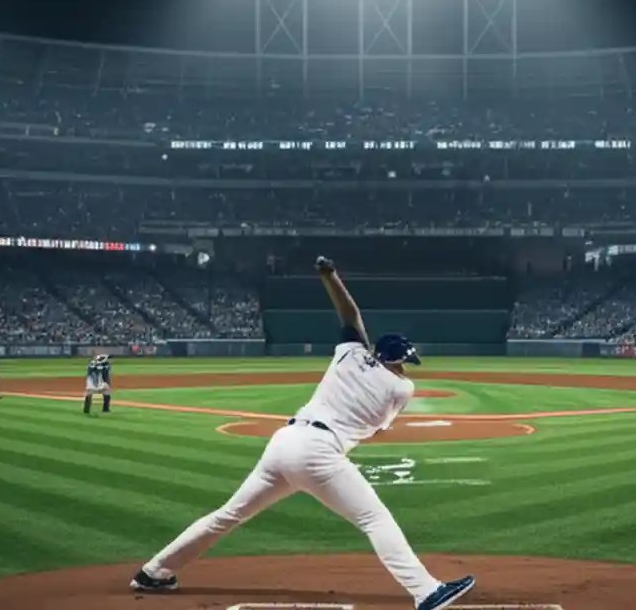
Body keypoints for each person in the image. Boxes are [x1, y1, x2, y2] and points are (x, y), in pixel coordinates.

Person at [129, 256, 476, 610]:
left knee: (228, 515)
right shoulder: (402, 389)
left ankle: (154, 571)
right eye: (403, 362)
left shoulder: (349, 353)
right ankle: (425, 591)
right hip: (319, 452)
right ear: (394, 361)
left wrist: (329, 276)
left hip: (283, 443)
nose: (406, 368)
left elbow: (350, 316)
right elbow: (377, 428)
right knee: (374, 519)